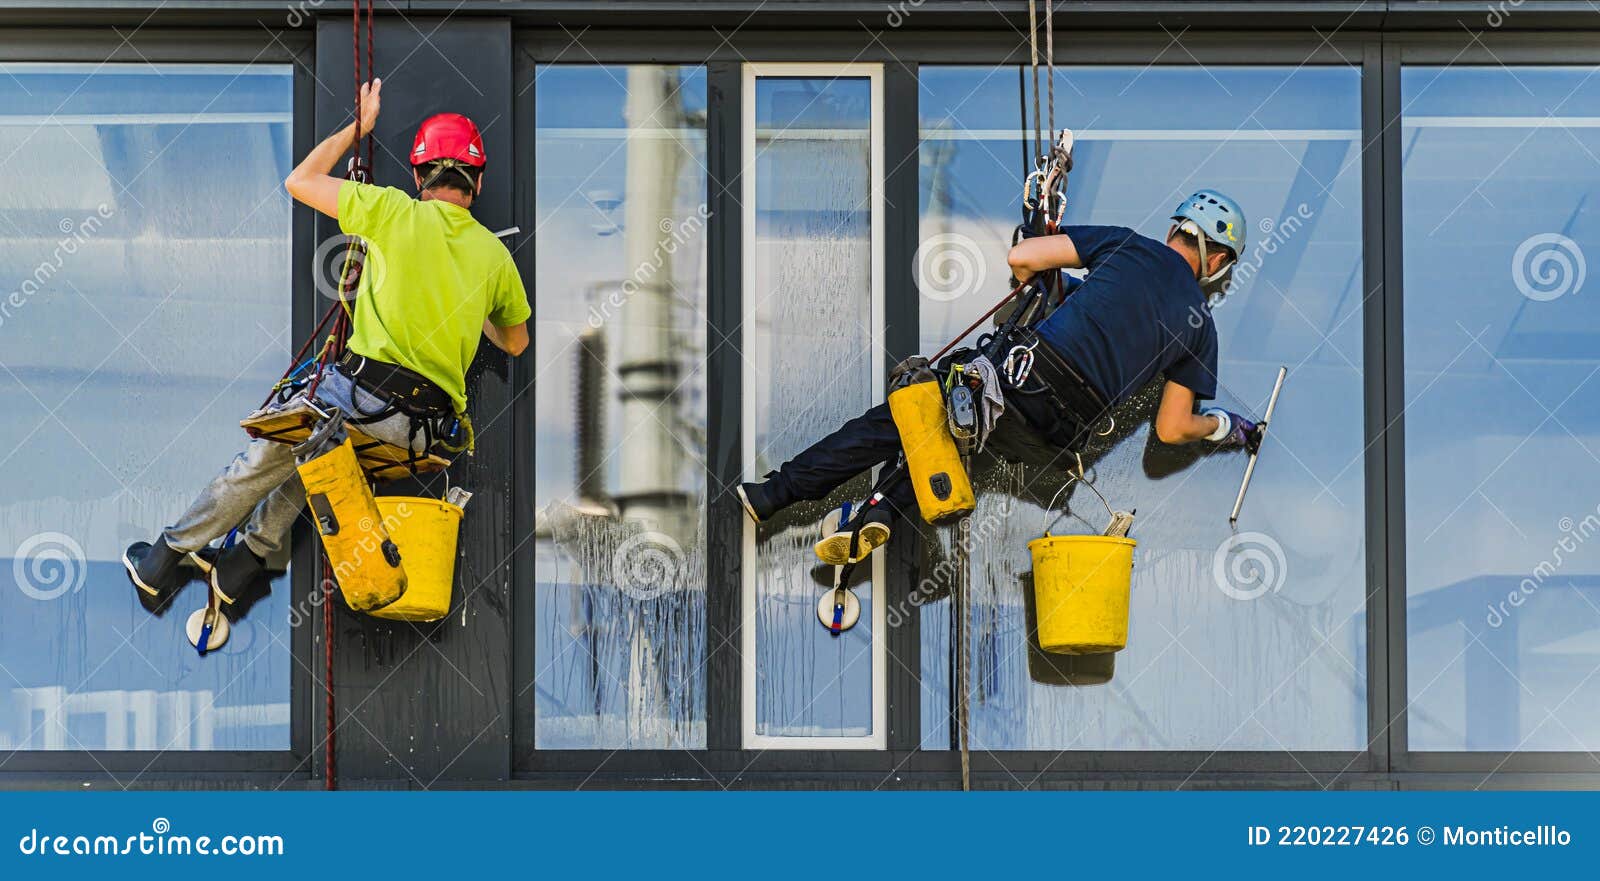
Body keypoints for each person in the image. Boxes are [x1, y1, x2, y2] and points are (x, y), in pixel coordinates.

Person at [122, 79, 530, 618]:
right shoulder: (494, 258)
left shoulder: (390, 211)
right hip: (420, 433)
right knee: (316, 455)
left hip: (363, 398)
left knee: (265, 457)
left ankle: (164, 556)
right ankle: (244, 562)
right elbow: (517, 343)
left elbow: (300, 181)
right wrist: (475, 311)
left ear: (416, 176)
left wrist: (357, 128)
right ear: (475, 181)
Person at [737, 190, 1258, 564]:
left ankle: (777, 495)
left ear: (1176, 230)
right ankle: (883, 511)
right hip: (1059, 432)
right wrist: (1222, 427)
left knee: (904, 418)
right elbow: (1171, 429)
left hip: (1023, 375)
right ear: (1215, 259)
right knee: (953, 439)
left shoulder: (1126, 247)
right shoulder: (1200, 329)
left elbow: (1023, 257)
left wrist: (1072, 284)